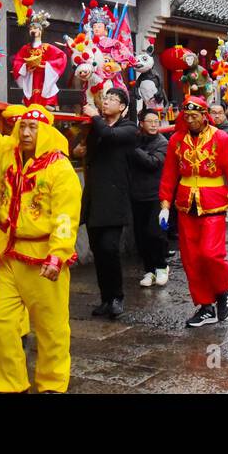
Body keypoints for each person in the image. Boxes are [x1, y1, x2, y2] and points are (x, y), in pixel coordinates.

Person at [0, 104, 82, 393]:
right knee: (0, 324)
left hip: (42, 258)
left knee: (51, 328)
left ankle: (52, 382)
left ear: (47, 131)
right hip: (6, 255)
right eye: (22, 126)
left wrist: (58, 253)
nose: (25, 133)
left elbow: (66, 216)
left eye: (32, 127)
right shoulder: (6, 153)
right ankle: (9, 384)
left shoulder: (59, 169)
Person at [159, 97, 228, 327]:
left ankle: (223, 290)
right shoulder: (177, 140)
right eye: (186, 116)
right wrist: (165, 205)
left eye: (195, 116)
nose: (190, 120)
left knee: (211, 254)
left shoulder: (220, 138)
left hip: (213, 202)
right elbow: (169, 174)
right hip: (186, 204)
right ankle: (205, 306)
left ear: (204, 115)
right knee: (191, 259)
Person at [80, 86, 138, 318]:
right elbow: (89, 147)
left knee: (109, 248)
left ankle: (117, 297)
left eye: (113, 99)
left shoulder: (129, 128)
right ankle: (105, 298)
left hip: (114, 197)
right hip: (95, 196)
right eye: (106, 98)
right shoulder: (97, 126)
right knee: (97, 250)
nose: (107, 102)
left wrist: (94, 116)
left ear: (122, 107)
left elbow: (109, 135)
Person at [129, 108, 170, 286]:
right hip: (136, 194)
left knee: (156, 234)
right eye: (150, 121)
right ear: (142, 123)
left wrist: (133, 149)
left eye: (156, 121)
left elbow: (153, 163)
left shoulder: (162, 142)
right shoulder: (136, 140)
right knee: (140, 235)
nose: (154, 124)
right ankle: (149, 271)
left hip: (156, 195)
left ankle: (161, 267)